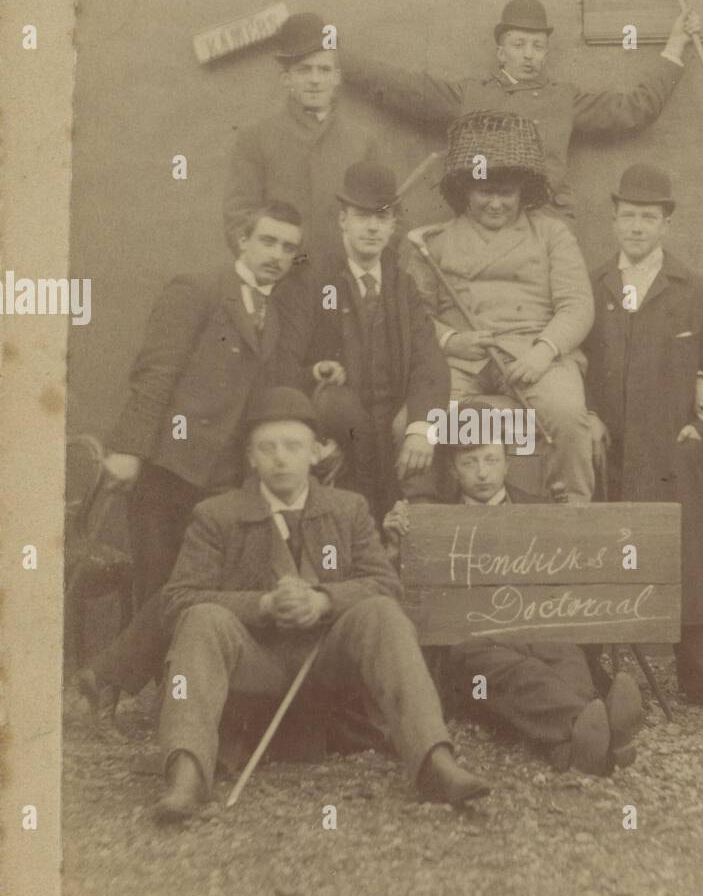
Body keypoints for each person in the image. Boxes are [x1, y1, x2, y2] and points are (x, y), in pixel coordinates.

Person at [153, 387, 490, 822]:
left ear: (315, 453)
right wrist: (264, 604)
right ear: (251, 458)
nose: (280, 459)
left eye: (293, 446)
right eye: (266, 448)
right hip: (255, 668)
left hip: (328, 666)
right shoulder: (216, 515)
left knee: (382, 612)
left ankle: (434, 763)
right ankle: (187, 775)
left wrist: (324, 600)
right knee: (201, 618)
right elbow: (177, 602)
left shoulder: (348, 509)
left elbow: (385, 584)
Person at [76, 202, 309, 714]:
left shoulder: (275, 315)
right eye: (267, 241)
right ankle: (135, 694)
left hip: (224, 478)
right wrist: (129, 451)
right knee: (162, 581)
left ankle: (115, 681)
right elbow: (155, 374)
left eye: (289, 247)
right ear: (242, 240)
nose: (277, 255)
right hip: (168, 466)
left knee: (199, 588)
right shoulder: (198, 290)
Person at [382, 425, 644, 774]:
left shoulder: (539, 510)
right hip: (471, 650)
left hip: (536, 629)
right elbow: (402, 598)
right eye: (469, 462)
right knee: (512, 667)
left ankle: (580, 750)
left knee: (564, 651)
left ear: (508, 463)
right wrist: (395, 548)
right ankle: (599, 729)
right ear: (452, 469)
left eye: (491, 459)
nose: (482, 472)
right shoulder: (431, 520)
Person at [340, 0, 702, 217]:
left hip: (546, 224)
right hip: (485, 221)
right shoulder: (472, 95)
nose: (529, 55)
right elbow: (404, 89)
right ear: (501, 52)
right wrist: (334, 56)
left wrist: (676, 44)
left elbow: (634, 109)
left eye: (538, 46)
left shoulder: (563, 98)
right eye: (519, 45)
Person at [583, 163, 703, 705]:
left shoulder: (697, 292)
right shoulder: (594, 286)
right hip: (612, 448)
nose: (636, 227)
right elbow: (581, 360)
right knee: (604, 552)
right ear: (614, 221)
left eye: (648, 217)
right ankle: (601, 678)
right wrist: (591, 414)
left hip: (672, 448)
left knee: (686, 555)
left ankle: (698, 678)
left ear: (666, 223)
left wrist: (702, 436)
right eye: (627, 217)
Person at [404, 110, 596, 502]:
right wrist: (452, 340)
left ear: (522, 193)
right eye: (484, 192)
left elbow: (577, 304)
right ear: (465, 192)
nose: (495, 203)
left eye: (505, 193)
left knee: (566, 415)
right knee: (415, 425)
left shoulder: (552, 235)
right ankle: (422, 517)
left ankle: (574, 513)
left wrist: (543, 352)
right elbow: (415, 315)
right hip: (459, 363)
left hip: (534, 357)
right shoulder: (435, 241)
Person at [276, 159, 450, 524]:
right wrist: (314, 395)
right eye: (362, 216)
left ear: (393, 225)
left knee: (417, 464)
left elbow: (430, 363)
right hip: (337, 431)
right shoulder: (310, 277)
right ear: (343, 219)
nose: (372, 227)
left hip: (390, 430)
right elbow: (283, 362)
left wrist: (421, 429)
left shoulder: (402, 285)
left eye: (383, 217)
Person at [223, 12, 377, 265]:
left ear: (336, 78)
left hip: (345, 286)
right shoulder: (256, 139)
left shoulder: (363, 142)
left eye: (324, 69)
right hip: (281, 286)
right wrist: (266, 269)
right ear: (287, 79)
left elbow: (387, 217)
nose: (315, 80)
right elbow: (239, 218)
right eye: (304, 70)